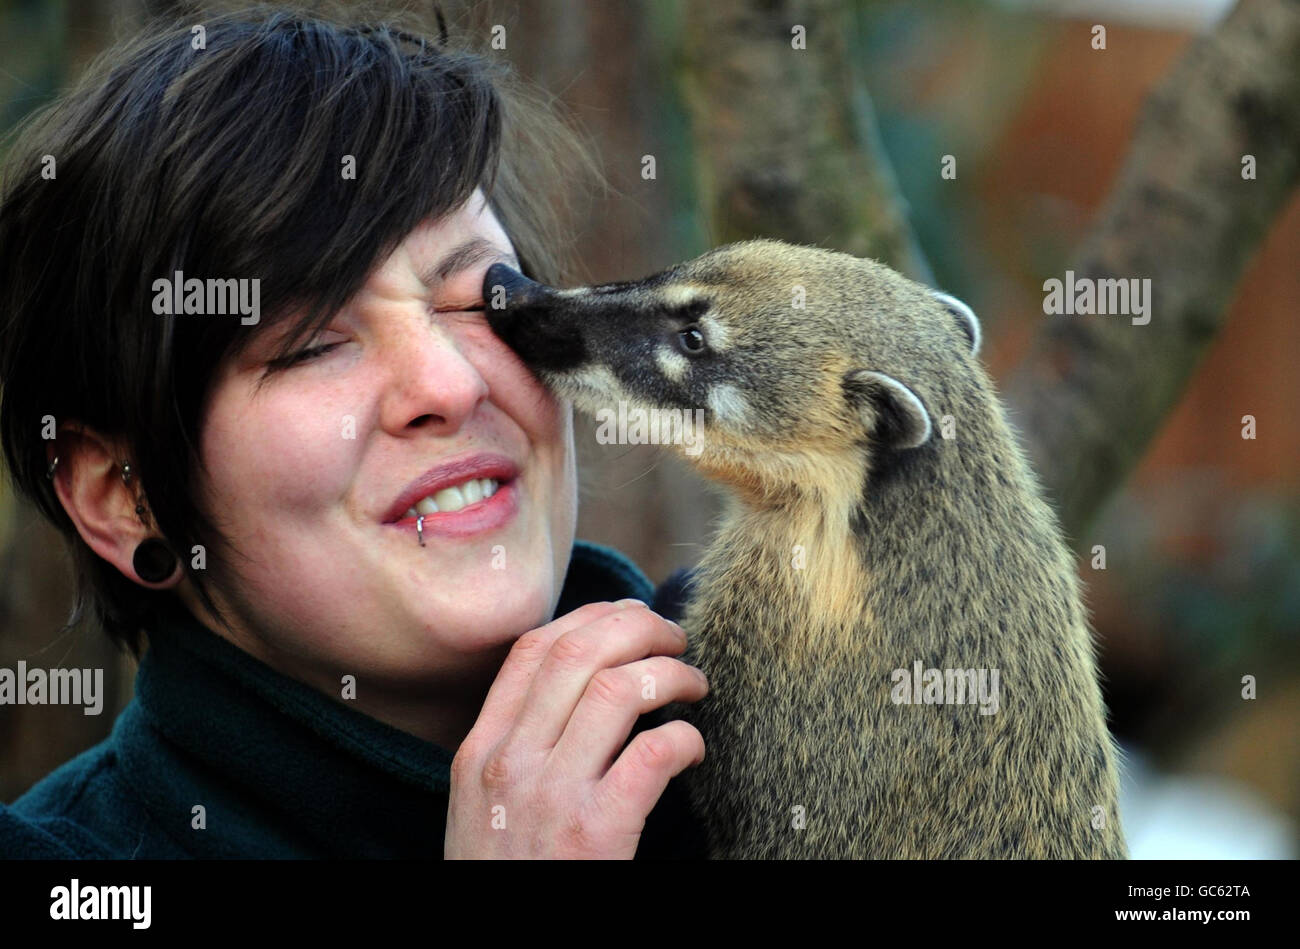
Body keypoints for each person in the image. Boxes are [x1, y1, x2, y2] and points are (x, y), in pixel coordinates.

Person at [0, 8, 707, 859]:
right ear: (121, 493)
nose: (450, 383)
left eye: (479, 298)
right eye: (313, 345)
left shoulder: (808, 726)